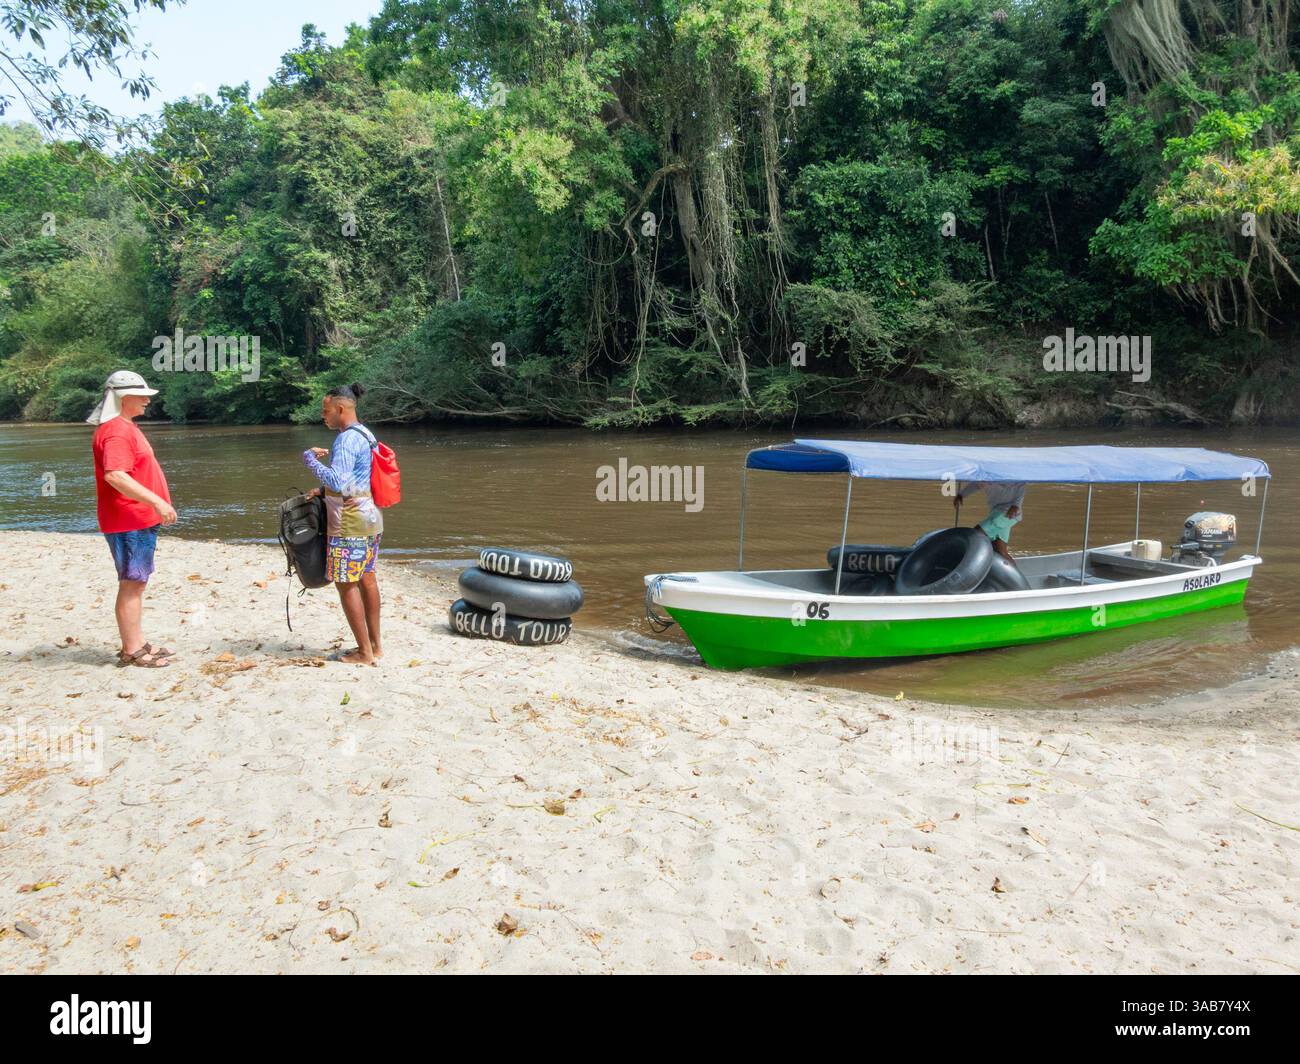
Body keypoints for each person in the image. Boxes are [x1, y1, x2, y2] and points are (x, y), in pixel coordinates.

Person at [88, 370, 179, 668]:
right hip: (129, 519)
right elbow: (115, 475)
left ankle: (137, 643)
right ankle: (132, 650)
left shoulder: (123, 426)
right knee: (132, 584)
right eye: (142, 396)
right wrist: (156, 501)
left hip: (134, 518)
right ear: (123, 398)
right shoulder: (116, 431)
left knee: (135, 582)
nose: (147, 402)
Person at [302, 383, 383, 665]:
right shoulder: (366, 433)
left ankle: (363, 653)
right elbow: (358, 478)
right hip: (369, 516)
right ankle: (375, 645)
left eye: (325, 411)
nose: (323, 416)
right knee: (367, 578)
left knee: (345, 583)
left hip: (349, 521)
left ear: (340, 409)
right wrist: (321, 491)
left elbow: (339, 481)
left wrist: (309, 459)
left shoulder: (347, 439)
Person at [956, 480, 1026, 561]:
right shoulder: (987, 478)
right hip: (995, 512)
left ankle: (960, 561)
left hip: (1009, 513)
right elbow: (975, 485)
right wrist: (961, 494)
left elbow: (1021, 485)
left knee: (976, 533)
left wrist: (1016, 505)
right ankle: (1016, 573)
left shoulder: (1014, 478)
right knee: (1000, 551)